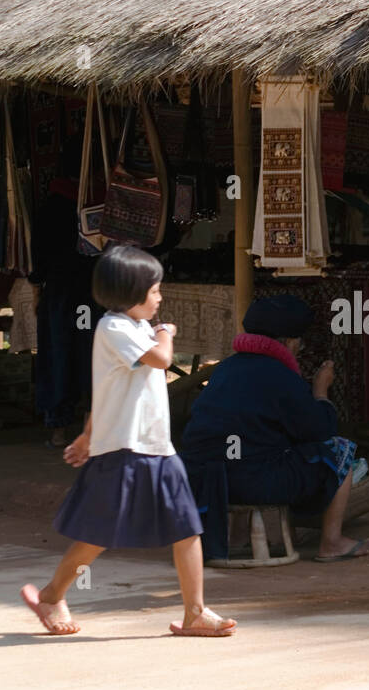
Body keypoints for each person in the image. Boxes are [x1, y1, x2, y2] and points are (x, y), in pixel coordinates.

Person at [20, 245, 235, 637]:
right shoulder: (113, 328)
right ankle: (52, 595)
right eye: (155, 291)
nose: (160, 298)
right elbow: (162, 361)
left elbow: (106, 392)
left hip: (158, 448)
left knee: (187, 528)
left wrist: (86, 435)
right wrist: (166, 333)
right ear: (131, 292)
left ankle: (195, 613)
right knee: (97, 535)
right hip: (123, 450)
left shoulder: (135, 329)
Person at [181, 295, 369, 563]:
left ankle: (237, 537)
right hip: (254, 484)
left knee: (242, 448)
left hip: (205, 483)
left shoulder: (225, 370)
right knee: (340, 450)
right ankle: (332, 542)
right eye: (299, 342)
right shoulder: (280, 375)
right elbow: (319, 430)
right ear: (289, 342)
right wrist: (320, 391)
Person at [30, 134, 101, 447]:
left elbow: (38, 258)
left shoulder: (50, 207)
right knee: (92, 356)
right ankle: (92, 424)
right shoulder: (100, 206)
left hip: (59, 294)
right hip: (93, 294)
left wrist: (36, 286)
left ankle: (58, 428)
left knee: (59, 355)